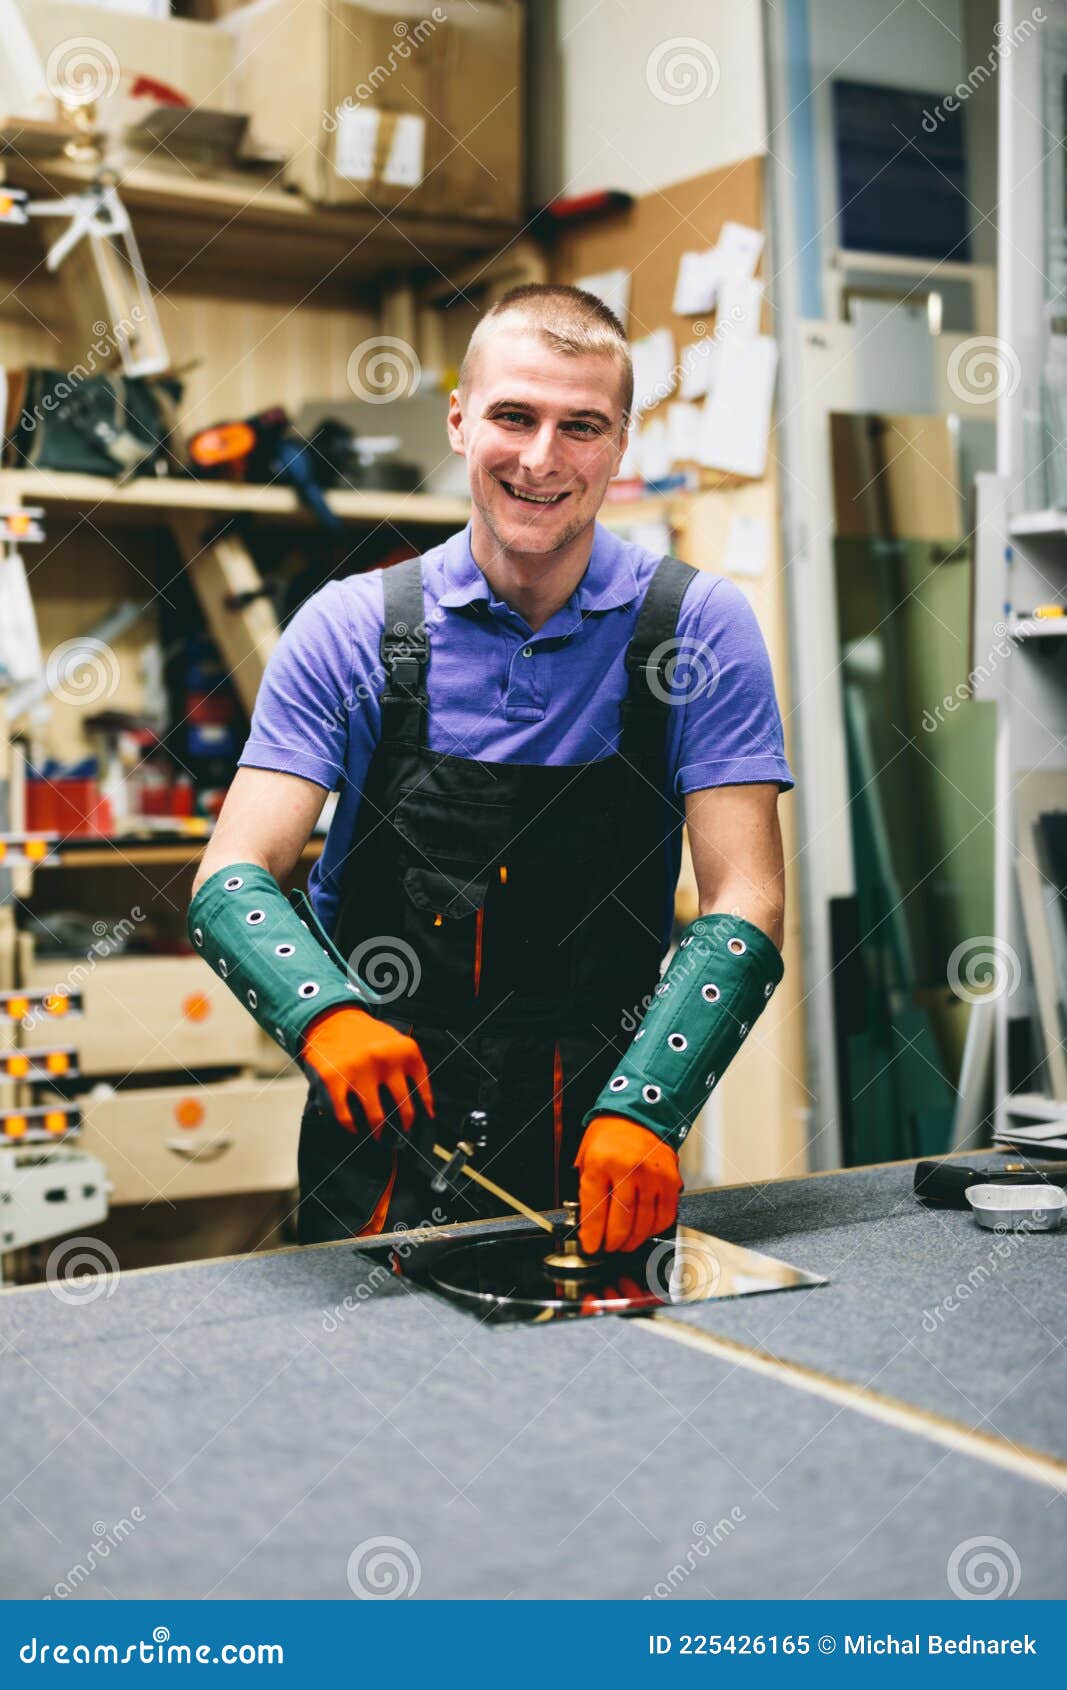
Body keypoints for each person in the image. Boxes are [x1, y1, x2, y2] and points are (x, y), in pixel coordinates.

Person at [188, 284, 793, 1256]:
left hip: (605, 1140)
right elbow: (231, 875)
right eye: (513, 415)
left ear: (620, 442)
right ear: (460, 421)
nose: (541, 458)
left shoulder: (696, 629)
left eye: (580, 425)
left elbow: (745, 899)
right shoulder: (350, 627)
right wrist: (322, 1012)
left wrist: (651, 1103)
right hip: (380, 1146)